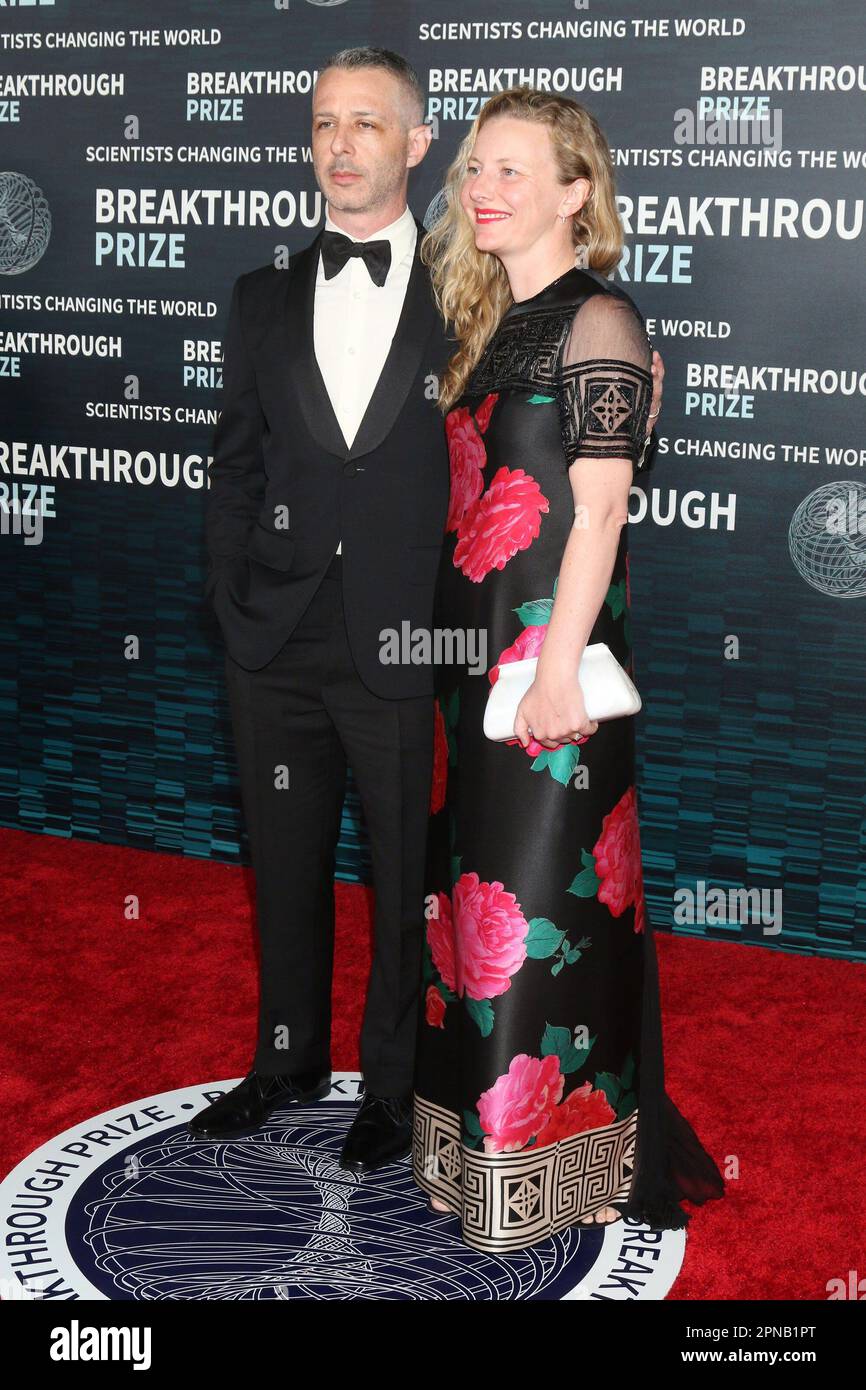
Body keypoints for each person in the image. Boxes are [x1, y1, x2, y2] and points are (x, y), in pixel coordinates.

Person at [194, 48, 664, 1177]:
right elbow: (235, 471)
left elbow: (573, 499)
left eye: (367, 123)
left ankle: (398, 1092)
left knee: (424, 885)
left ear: (413, 148)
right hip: (277, 641)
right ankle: (282, 1060)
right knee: (284, 860)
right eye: (320, 124)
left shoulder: (462, 298)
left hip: (424, 647)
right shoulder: (264, 297)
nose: (339, 143)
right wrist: (234, 604)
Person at [411, 87, 724, 1252]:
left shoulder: (598, 320)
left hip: (548, 672)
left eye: (511, 170)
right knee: (474, 911)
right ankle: (487, 1156)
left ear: (575, 192)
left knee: (551, 907)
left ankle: (566, 1160)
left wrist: (555, 669)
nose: (483, 190)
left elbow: (597, 516)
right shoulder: (495, 321)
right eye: (475, 171)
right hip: (472, 673)